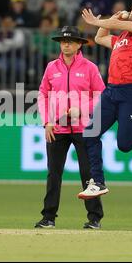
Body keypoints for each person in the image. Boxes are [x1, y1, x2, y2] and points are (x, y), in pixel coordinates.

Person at [78, 0, 132, 199]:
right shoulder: (122, 38)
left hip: (131, 93)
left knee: (124, 145)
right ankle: (97, 182)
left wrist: (101, 21)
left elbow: (114, 26)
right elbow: (99, 38)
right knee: (90, 134)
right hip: (111, 91)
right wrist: (112, 19)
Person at [35, 26, 105, 229]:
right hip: (57, 128)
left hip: (84, 128)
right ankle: (48, 218)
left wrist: (81, 110)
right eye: (63, 41)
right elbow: (43, 95)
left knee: (88, 173)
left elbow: (101, 96)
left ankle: (94, 218)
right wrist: (46, 121)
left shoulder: (89, 68)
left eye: (71, 41)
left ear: (79, 45)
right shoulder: (51, 67)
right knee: (53, 173)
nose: (66, 44)